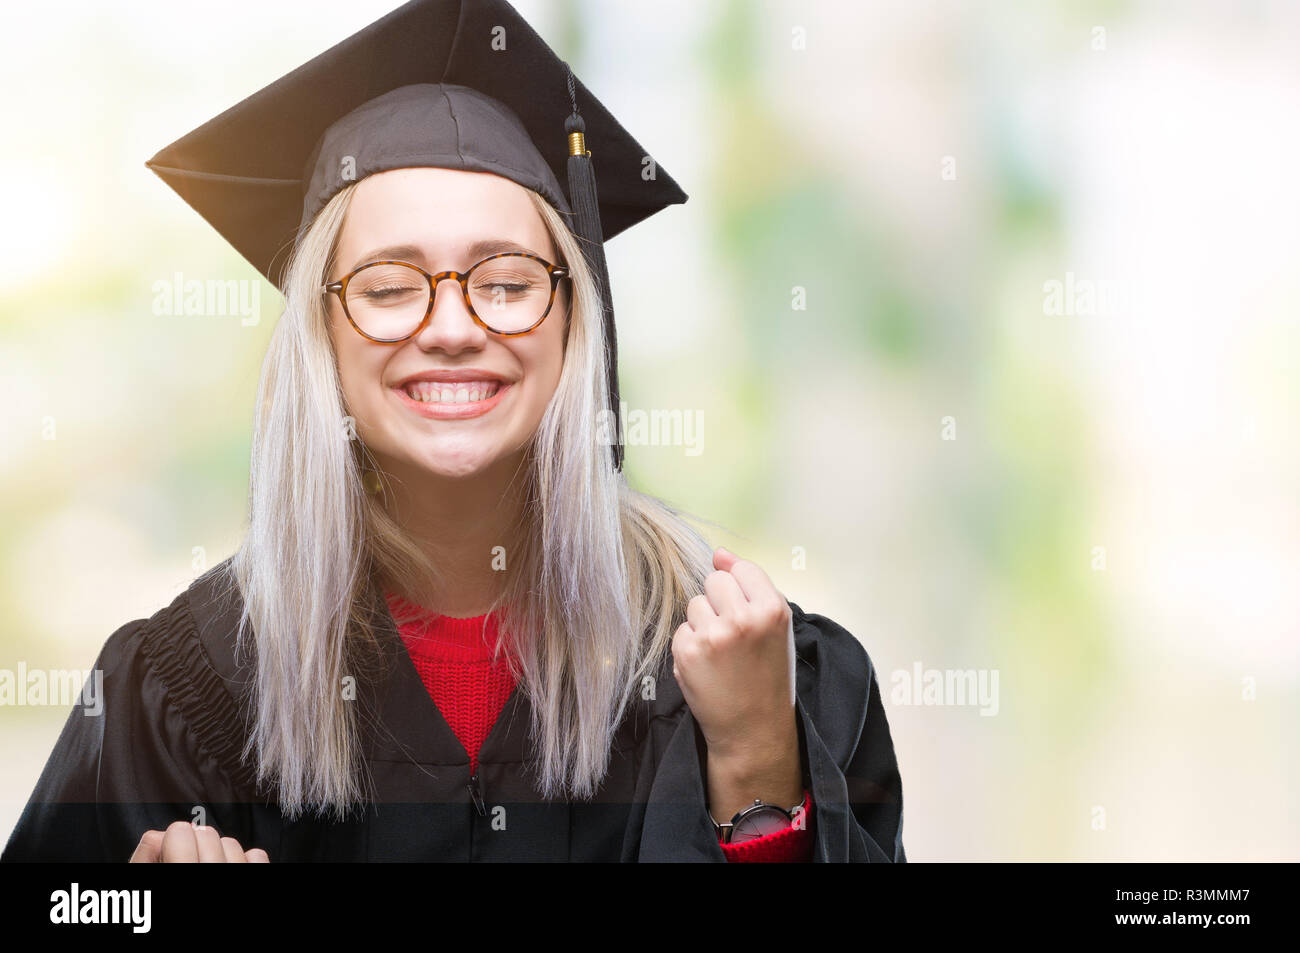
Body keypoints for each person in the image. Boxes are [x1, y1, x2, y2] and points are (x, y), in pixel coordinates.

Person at [1, 0, 905, 863]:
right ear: (321, 338)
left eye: (506, 280)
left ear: (572, 321)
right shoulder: (189, 685)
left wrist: (754, 771)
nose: (453, 325)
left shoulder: (756, 675)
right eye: (390, 287)